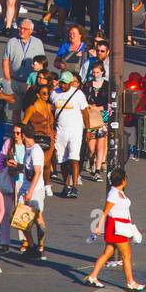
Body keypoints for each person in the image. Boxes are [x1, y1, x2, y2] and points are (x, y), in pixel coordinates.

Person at [85, 169, 144, 291]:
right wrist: (99, 227)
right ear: (123, 180)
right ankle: (130, 282)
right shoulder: (113, 194)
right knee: (126, 255)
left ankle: (92, 276)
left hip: (118, 226)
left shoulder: (118, 192)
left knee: (108, 253)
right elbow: (105, 211)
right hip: (117, 227)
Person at [51, 70, 90, 198]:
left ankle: (74, 187)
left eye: (65, 83)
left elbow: (85, 113)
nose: (62, 85)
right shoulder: (54, 94)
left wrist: (88, 130)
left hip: (75, 131)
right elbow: (52, 113)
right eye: (61, 83)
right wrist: (52, 129)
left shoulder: (79, 94)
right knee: (62, 160)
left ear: (71, 83)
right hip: (60, 131)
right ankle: (66, 185)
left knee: (74, 158)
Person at [15, 125, 47, 260]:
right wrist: (18, 166)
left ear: (23, 135)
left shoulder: (36, 151)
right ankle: (32, 246)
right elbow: (28, 169)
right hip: (25, 188)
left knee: (37, 217)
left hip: (35, 190)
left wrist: (30, 192)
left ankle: (40, 247)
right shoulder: (28, 150)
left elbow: (38, 172)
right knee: (20, 220)